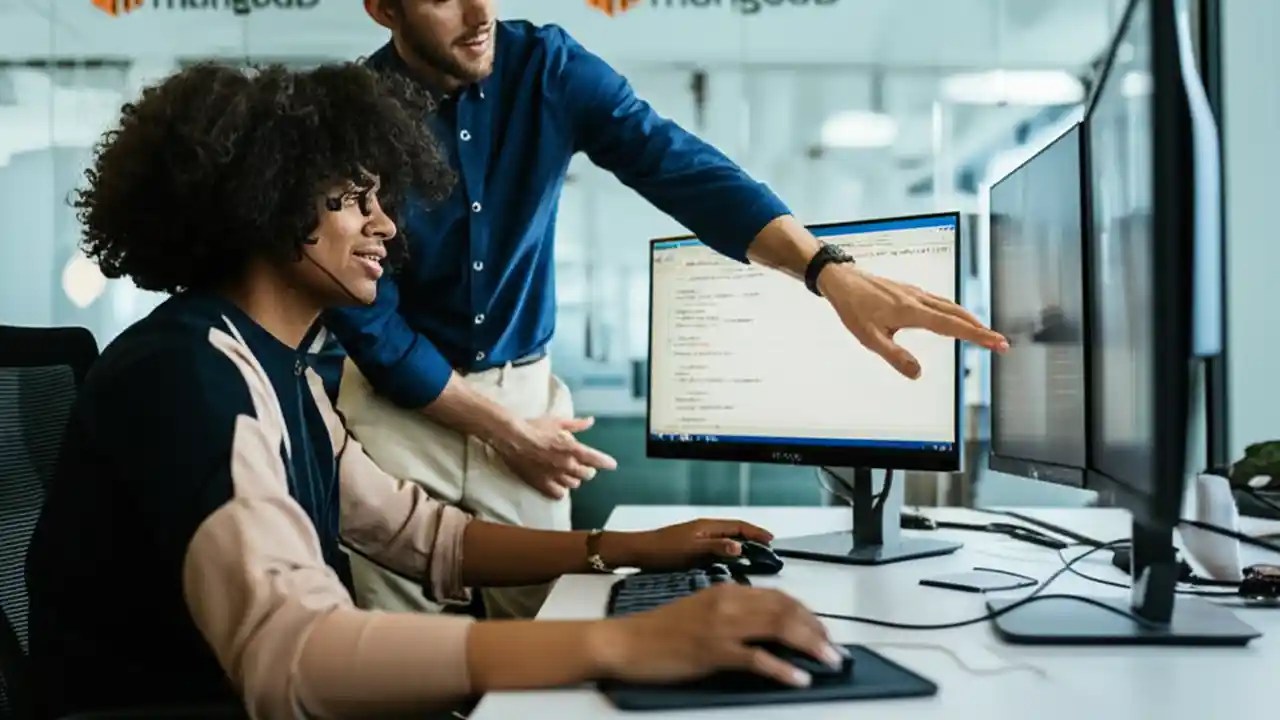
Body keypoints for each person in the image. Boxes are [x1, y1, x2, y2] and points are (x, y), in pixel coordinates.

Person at [24, 61, 844, 720]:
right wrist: (622, 646)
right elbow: (290, 655)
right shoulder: (189, 378)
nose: (385, 224)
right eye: (353, 200)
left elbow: (426, 537)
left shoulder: (284, 370)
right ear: (264, 204)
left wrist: (623, 548)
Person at [319, 0, 1009, 619]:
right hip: (400, 408)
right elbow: (371, 323)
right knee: (399, 650)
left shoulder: (548, 67)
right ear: (384, 10)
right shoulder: (351, 118)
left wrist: (827, 271)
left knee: (545, 623)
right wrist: (509, 433)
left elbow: (681, 168)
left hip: (523, 396)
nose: (480, 15)